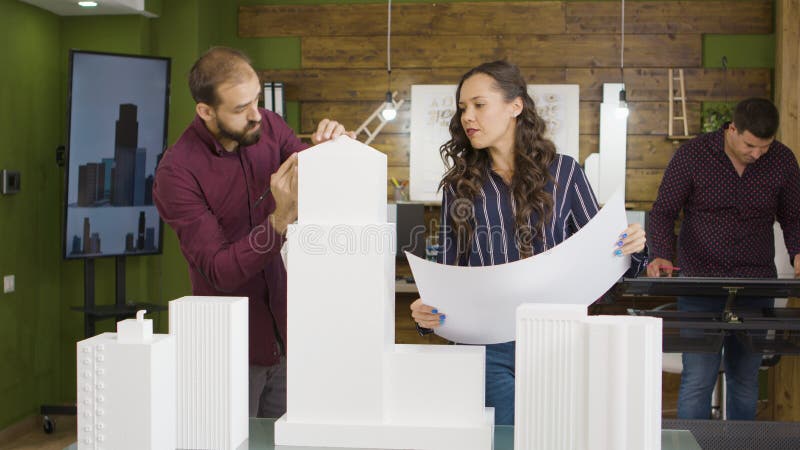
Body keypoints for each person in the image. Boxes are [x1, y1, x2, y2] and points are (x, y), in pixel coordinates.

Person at [409, 60, 648, 425]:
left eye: (479, 104)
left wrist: (633, 246)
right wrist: (428, 314)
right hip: (484, 347)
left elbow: (603, 255)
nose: (468, 117)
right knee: (505, 439)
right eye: (462, 108)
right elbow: (450, 270)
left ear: (515, 106)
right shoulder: (459, 186)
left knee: (556, 437)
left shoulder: (566, 172)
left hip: (557, 341)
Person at [153, 46, 353, 418]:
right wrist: (279, 221)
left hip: (288, 339)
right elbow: (220, 270)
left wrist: (332, 151)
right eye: (240, 108)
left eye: (257, 100)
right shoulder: (177, 174)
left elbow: (316, 180)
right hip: (231, 353)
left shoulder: (269, 127)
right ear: (205, 111)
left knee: (289, 440)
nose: (255, 114)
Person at [647, 97, 800, 420]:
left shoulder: (783, 161)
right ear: (732, 129)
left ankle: (740, 444)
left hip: (756, 285)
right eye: (750, 145)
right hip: (699, 284)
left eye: (765, 147)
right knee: (697, 380)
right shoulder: (693, 155)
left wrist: (798, 252)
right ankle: (693, 443)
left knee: (745, 380)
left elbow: (794, 218)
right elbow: (663, 212)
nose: (757, 154)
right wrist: (660, 254)